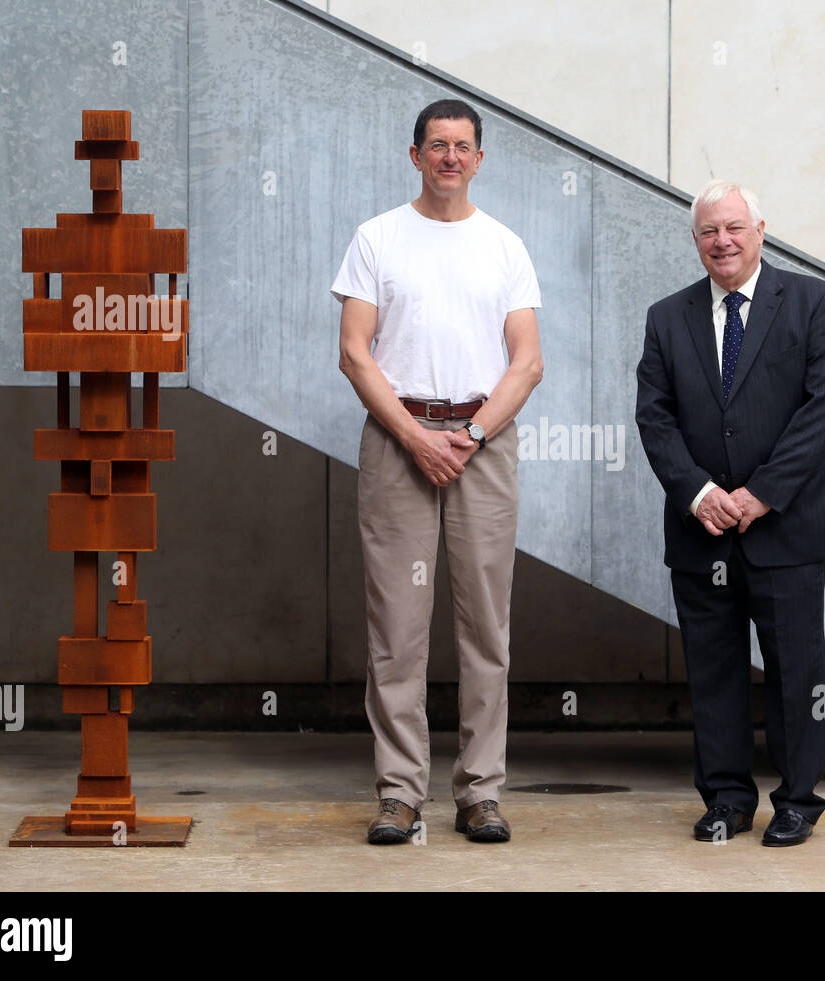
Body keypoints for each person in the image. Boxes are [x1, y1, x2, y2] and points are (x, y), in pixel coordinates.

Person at [331, 98, 543, 844]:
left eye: (463, 146)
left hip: (483, 445)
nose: (450, 157)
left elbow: (528, 360)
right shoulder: (377, 238)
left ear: (479, 159)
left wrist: (473, 434)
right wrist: (416, 436)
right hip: (397, 442)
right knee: (397, 627)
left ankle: (481, 792)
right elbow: (355, 351)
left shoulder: (504, 246)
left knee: (486, 625)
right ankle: (399, 793)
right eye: (437, 145)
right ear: (414, 154)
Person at [635, 180, 825, 847]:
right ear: (696, 240)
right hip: (701, 527)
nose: (722, 241)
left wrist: (761, 492)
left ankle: (796, 800)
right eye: (709, 231)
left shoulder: (814, 302)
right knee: (714, 669)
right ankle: (727, 799)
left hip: (788, 523)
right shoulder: (667, 316)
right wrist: (699, 492)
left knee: (796, 669)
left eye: (734, 227)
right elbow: (654, 416)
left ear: (760, 229)